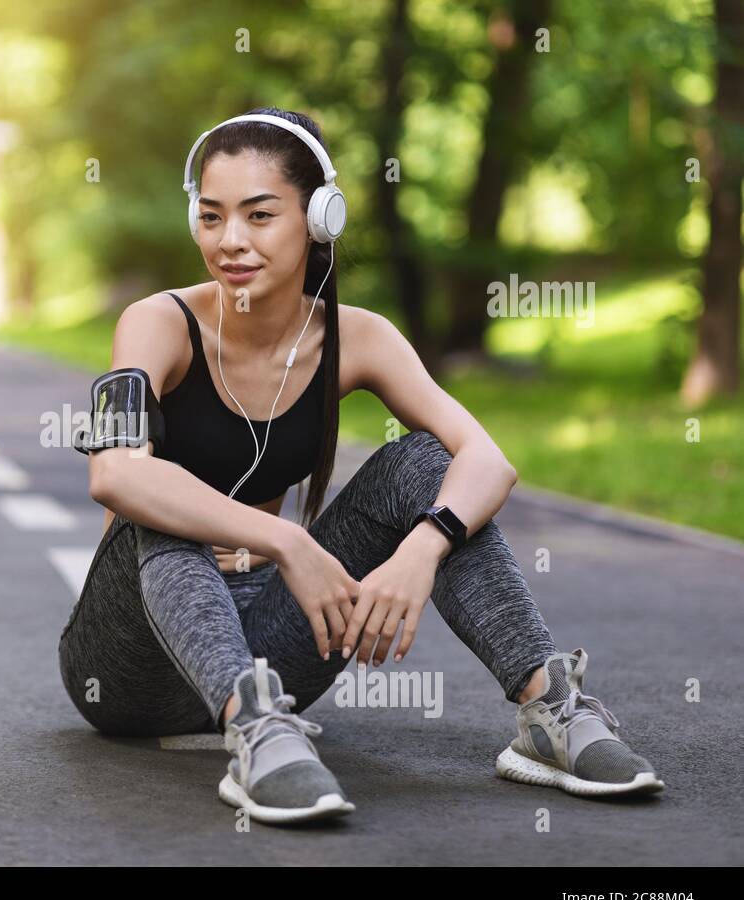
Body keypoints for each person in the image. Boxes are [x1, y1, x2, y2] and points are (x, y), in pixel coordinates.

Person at [58, 107, 665, 826]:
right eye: (212, 216)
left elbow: (486, 461)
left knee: (424, 464)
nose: (231, 242)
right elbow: (114, 475)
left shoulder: (361, 338)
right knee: (157, 494)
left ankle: (546, 706)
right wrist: (286, 541)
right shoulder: (156, 323)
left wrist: (423, 549)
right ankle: (252, 732)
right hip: (128, 661)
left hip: (273, 648)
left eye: (259, 215)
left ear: (319, 220)